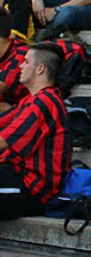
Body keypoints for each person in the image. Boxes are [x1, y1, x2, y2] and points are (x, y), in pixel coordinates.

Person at [0, 41, 68, 220]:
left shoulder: (45, 102)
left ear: (40, 69)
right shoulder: (31, 100)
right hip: (15, 176)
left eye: (26, 62)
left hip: (31, 189)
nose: (20, 66)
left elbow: (2, 142)